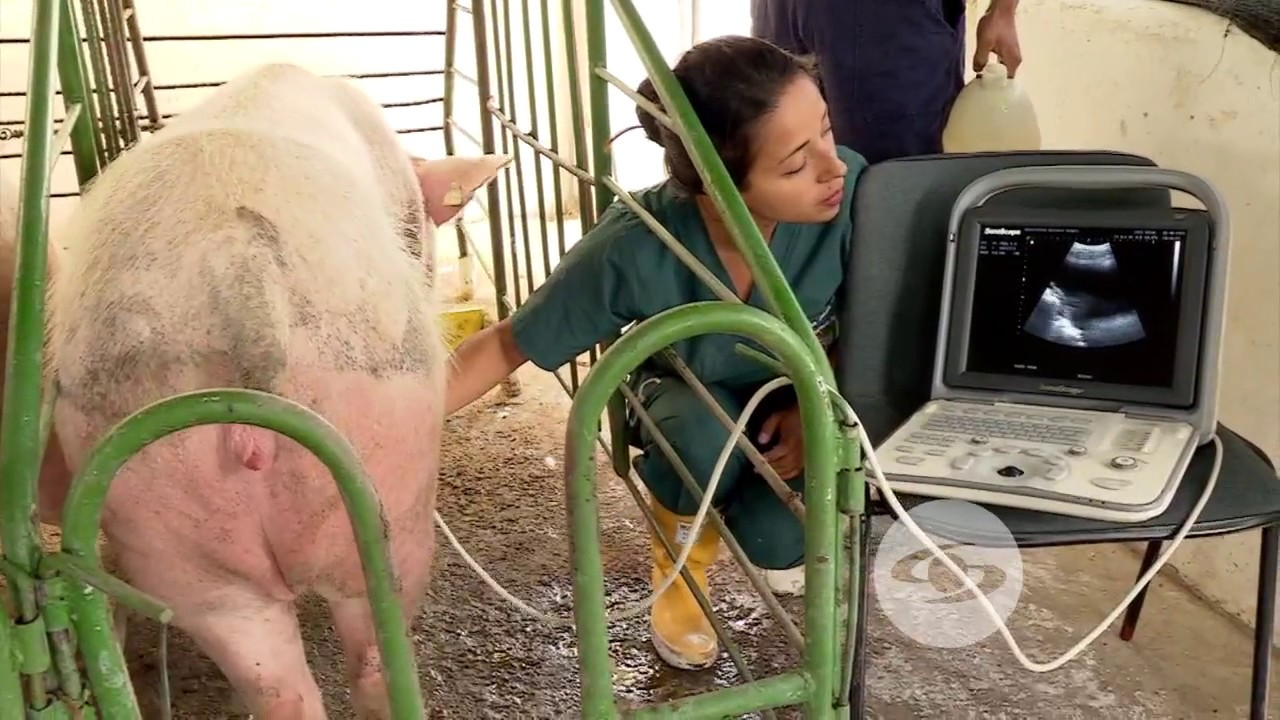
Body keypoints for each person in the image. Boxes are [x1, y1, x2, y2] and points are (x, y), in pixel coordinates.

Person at [445, 35, 867, 671]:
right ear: (715, 185)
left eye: (827, 131)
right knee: (699, 440)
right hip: (685, 395)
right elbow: (509, 342)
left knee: (777, 538)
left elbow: (887, 332)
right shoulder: (637, 243)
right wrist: (389, 424)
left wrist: (820, 409)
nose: (834, 168)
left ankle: (759, 526)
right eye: (794, 165)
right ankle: (681, 570)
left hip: (795, 397)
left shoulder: (854, 197)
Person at [750, 0, 1023, 163]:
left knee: (891, 190)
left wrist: (1003, 10)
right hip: (778, 9)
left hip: (887, 18)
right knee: (779, 161)